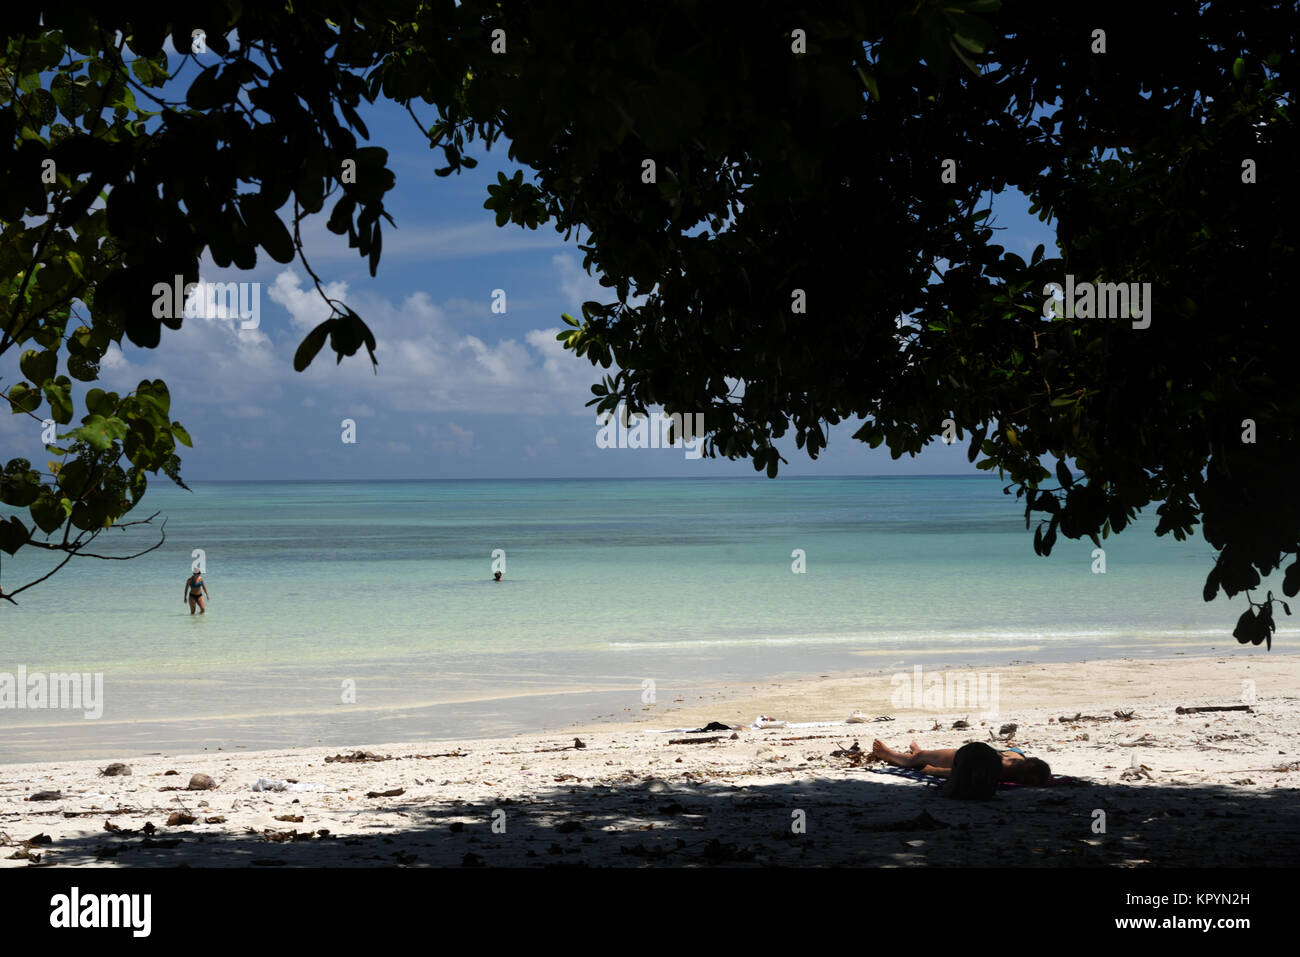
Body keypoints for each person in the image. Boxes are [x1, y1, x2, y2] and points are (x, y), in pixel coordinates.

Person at [871, 739, 1051, 798]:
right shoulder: (1018, 759)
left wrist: (933, 771)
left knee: (917, 759)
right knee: (923, 755)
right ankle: (919, 753)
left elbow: (963, 772)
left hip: (967, 759)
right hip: (982, 755)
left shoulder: (1007, 769)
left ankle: (889, 755)